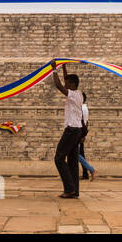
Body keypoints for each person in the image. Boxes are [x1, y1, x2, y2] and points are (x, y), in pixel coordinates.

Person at [49, 60, 85, 199]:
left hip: (71, 130)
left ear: (73, 85)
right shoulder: (79, 94)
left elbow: (59, 85)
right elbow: (64, 83)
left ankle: (69, 188)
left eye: (68, 83)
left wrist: (54, 70)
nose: (66, 84)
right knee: (72, 161)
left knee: (58, 158)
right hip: (77, 130)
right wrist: (64, 67)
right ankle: (74, 190)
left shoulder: (73, 95)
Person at [78, 94, 96, 181]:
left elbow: (82, 122)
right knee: (79, 153)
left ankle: (91, 170)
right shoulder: (84, 108)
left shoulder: (82, 108)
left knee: (76, 154)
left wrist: (82, 135)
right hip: (80, 133)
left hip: (78, 133)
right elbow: (86, 122)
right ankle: (86, 172)